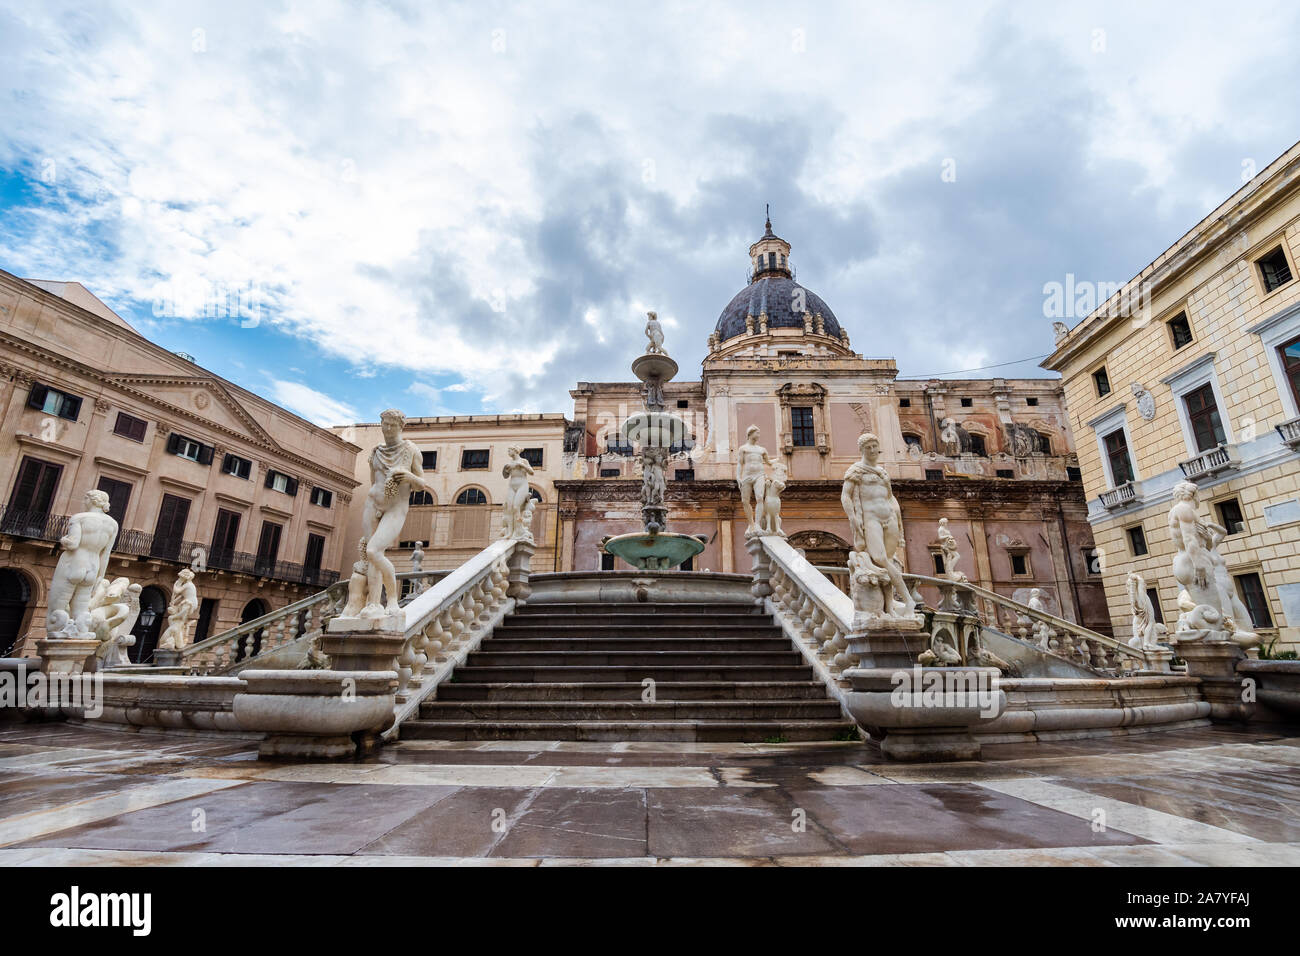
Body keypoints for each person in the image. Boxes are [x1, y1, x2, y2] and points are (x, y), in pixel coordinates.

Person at [359, 409, 437, 618]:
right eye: (385, 424)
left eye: (392, 425)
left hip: (396, 508)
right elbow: (373, 480)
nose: (388, 429)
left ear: (401, 427)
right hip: (372, 503)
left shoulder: (411, 450)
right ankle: (373, 604)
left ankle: (392, 600)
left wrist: (408, 475)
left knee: (375, 551)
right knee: (371, 555)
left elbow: (422, 485)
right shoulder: (376, 451)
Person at [841, 433, 909, 612]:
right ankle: (908, 599)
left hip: (890, 519)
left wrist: (899, 524)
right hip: (871, 519)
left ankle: (889, 606)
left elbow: (891, 497)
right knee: (880, 559)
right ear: (861, 450)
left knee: (884, 562)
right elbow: (845, 496)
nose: (872, 450)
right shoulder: (855, 471)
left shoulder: (882, 472)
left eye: (874, 446)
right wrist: (853, 518)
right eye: (868, 447)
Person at [47, 489, 119, 636]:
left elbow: (73, 544)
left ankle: (57, 638)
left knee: (56, 609)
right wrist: (100, 576)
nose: (84, 502)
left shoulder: (79, 518)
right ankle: (79, 636)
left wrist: (63, 539)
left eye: (85, 499)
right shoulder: (113, 524)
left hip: (74, 563)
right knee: (81, 611)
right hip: (93, 568)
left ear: (91, 500)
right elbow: (105, 554)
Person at [736, 425, 771, 535]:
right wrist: (738, 477)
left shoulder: (762, 450)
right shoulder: (743, 448)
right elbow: (740, 463)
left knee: (760, 497)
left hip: (759, 474)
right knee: (745, 501)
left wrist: (777, 463)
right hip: (747, 475)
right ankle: (750, 524)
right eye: (757, 433)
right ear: (750, 434)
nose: (758, 435)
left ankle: (757, 524)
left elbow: (768, 462)